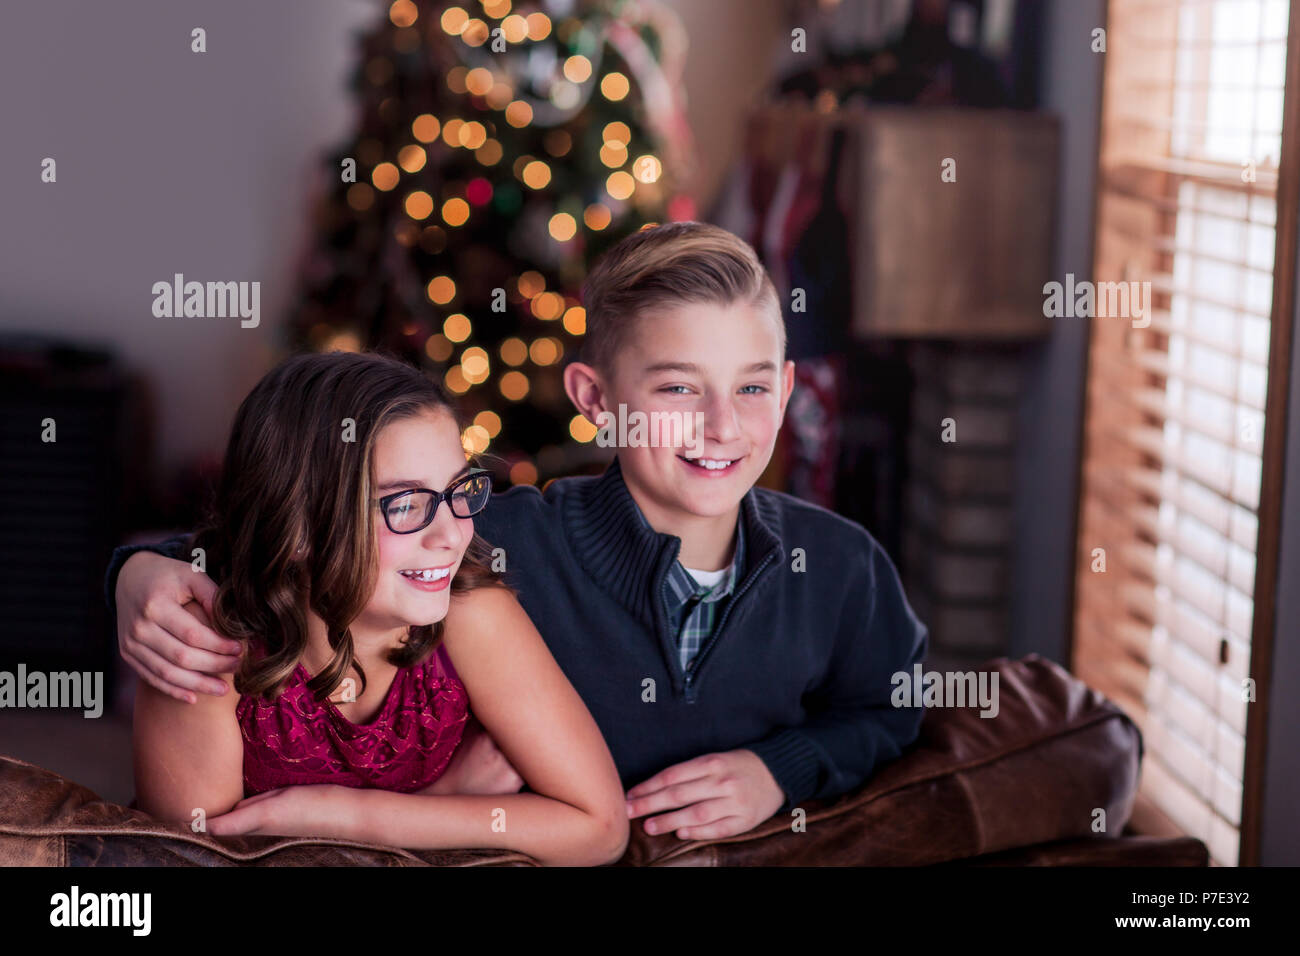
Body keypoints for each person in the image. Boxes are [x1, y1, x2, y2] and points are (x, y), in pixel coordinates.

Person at [109, 221, 929, 843]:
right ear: (595, 399)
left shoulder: (840, 565)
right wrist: (134, 571)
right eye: (680, 387)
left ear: (786, 390)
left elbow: (894, 706)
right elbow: (293, 542)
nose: (722, 425)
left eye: (752, 389)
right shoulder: (495, 539)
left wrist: (778, 772)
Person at [130, 350, 627, 866]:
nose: (451, 535)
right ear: (298, 530)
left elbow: (600, 828)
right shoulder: (205, 648)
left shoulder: (473, 613)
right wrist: (444, 803)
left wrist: (346, 814)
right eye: (405, 504)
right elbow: (191, 862)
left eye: (459, 490)